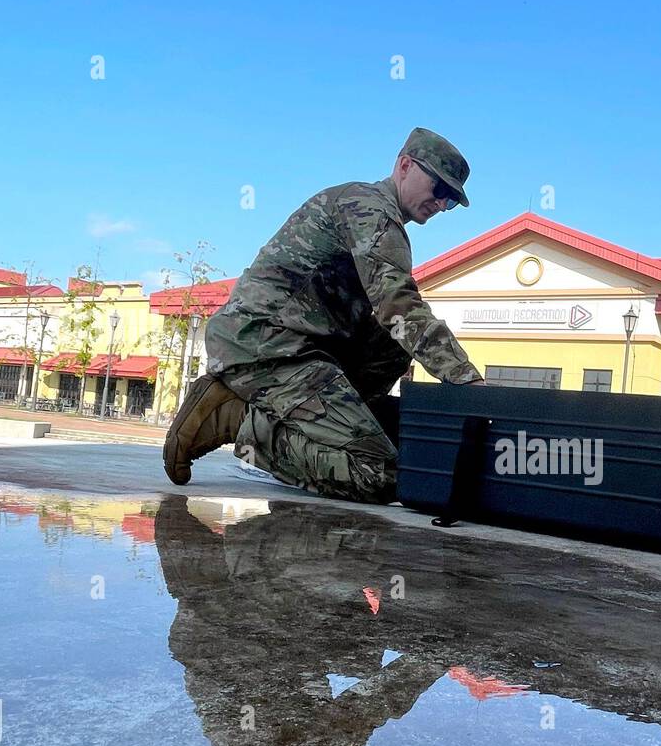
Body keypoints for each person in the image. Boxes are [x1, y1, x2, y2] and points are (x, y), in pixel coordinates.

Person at [162, 127, 485, 503]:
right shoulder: (370, 209)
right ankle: (240, 417)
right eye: (439, 189)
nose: (441, 204)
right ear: (404, 165)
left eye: (450, 200)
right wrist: (468, 385)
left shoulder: (377, 216)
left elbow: (392, 318)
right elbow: (399, 305)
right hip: (265, 344)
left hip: (302, 346)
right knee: (380, 474)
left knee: (393, 342)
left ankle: (333, 422)